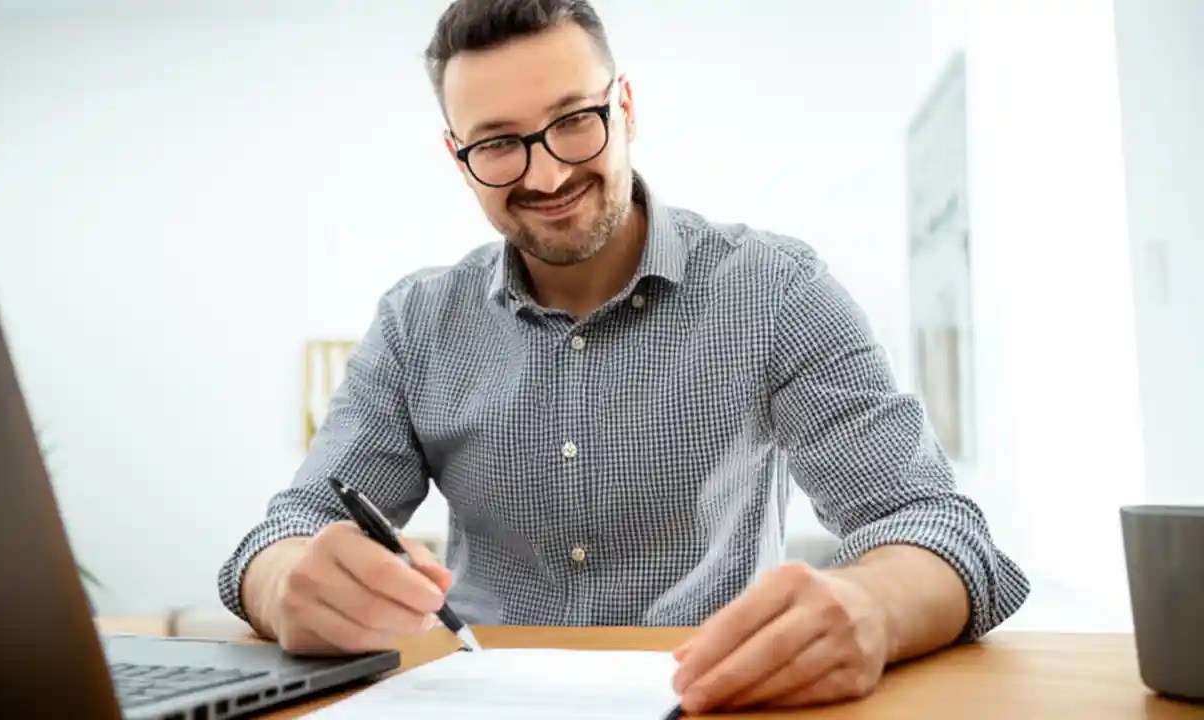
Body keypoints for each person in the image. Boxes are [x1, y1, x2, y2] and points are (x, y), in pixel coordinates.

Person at [218, 0, 1029, 713]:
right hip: (478, 699)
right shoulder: (416, 322)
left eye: (575, 119)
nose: (548, 171)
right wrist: (285, 582)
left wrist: (870, 608)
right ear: (458, 159)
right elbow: (290, 529)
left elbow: (930, 523)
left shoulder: (775, 289)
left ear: (627, 105)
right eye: (499, 144)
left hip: (715, 699)